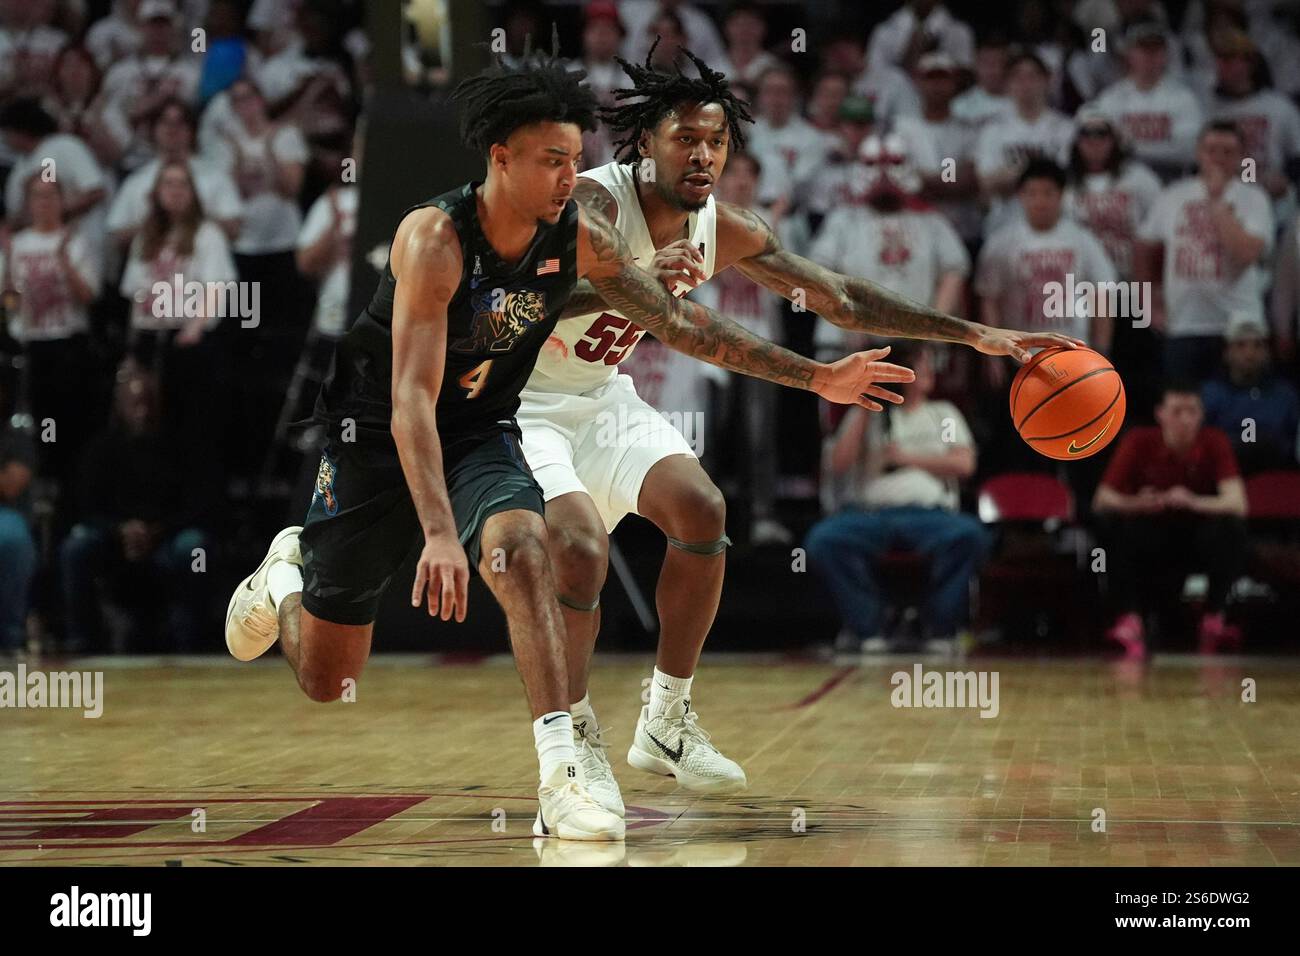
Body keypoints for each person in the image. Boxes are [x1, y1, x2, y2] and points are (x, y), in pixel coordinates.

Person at [223, 51, 907, 842]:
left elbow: (686, 325)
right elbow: (412, 399)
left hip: (485, 425)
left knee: (526, 549)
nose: (569, 177)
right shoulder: (434, 240)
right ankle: (286, 576)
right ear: (500, 158)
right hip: (383, 435)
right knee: (326, 677)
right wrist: (440, 534)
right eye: (553, 161)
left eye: (575, 159)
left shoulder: (582, 236)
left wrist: (817, 378)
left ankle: (564, 772)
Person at [517, 46, 1082, 817]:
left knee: (704, 512)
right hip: (522, 402)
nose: (705, 155)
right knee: (579, 551)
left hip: (598, 395)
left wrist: (972, 333)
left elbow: (841, 297)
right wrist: (637, 285)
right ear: (645, 140)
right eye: (686, 138)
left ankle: (666, 720)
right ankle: (575, 740)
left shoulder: (725, 227)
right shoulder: (590, 204)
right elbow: (524, 301)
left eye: (717, 142)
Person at [807, 342, 987, 653]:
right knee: (824, 540)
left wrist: (905, 458)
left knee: (970, 535)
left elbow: (964, 464)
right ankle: (870, 627)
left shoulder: (941, 414)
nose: (928, 370)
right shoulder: (869, 414)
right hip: (869, 515)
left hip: (930, 516)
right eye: (920, 364)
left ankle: (940, 628)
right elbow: (838, 464)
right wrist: (866, 402)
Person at [61, 366, 212, 653]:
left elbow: (200, 506)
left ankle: (193, 642)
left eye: (147, 402)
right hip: (114, 541)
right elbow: (83, 507)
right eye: (134, 404)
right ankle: (83, 642)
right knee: (75, 548)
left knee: (197, 549)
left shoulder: (181, 448)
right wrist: (120, 530)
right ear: (120, 407)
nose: (142, 411)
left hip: (167, 538)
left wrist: (158, 530)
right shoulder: (100, 449)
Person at [1094, 381, 1249, 657]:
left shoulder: (1215, 441)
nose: (1185, 419)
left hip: (1196, 538)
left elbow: (1238, 503)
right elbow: (1103, 499)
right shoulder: (1138, 440)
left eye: (1192, 411)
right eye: (1177, 411)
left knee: (1232, 528)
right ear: (1160, 414)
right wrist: (1138, 503)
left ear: (1202, 414)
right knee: (1111, 523)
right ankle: (1130, 620)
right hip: (1150, 534)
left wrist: (1191, 500)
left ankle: (1215, 617)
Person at [1136, 120, 1273, 383]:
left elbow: (1245, 253)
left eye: (1228, 152)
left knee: (1234, 411)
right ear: (1198, 152)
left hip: (1238, 327)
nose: (1219, 158)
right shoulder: (1172, 196)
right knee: (1183, 407)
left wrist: (1218, 202)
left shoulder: (1254, 199)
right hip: (1182, 324)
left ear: (1242, 157)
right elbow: (1144, 247)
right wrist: (1148, 303)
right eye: (1212, 150)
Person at [976, 158, 1117, 388]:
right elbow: (990, 298)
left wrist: (1102, 350)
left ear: (1061, 195)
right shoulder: (1001, 242)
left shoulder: (1082, 240)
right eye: (1032, 193)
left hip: (1074, 351)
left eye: (1048, 193)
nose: (1040, 201)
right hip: (1020, 354)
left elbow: (1101, 295)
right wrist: (992, 357)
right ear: (1020, 196)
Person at [0, 175, 102, 487]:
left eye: (50, 196)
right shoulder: (16, 245)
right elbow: (7, 305)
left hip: (68, 345)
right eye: (37, 196)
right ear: (28, 203)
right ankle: (43, 476)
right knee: (42, 421)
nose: (43, 203)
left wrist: (64, 263)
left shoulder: (78, 241)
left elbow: (89, 297)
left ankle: (67, 481)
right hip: (32, 345)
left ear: (61, 201)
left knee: (68, 421)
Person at [1087, 19, 1203, 182]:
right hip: (1123, 182)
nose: (1150, 56)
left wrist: (1131, 148)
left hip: (1171, 180)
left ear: (1165, 55)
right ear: (1129, 54)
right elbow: (1099, 148)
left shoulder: (1183, 98)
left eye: (1156, 49)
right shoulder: (1111, 98)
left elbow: (1190, 152)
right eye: (1143, 49)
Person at [1201, 314, 1300, 474]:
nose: (1250, 353)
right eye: (1241, 345)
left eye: (1258, 345)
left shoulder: (1286, 395)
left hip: (1276, 479)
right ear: (1227, 352)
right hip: (1223, 477)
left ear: (1267, 352)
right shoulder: (1209, 394)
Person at [0, 371, 36, 654]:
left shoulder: (16, 437)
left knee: (11, 538)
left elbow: (11, 485)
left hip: (4, 512)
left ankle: (9, 638)